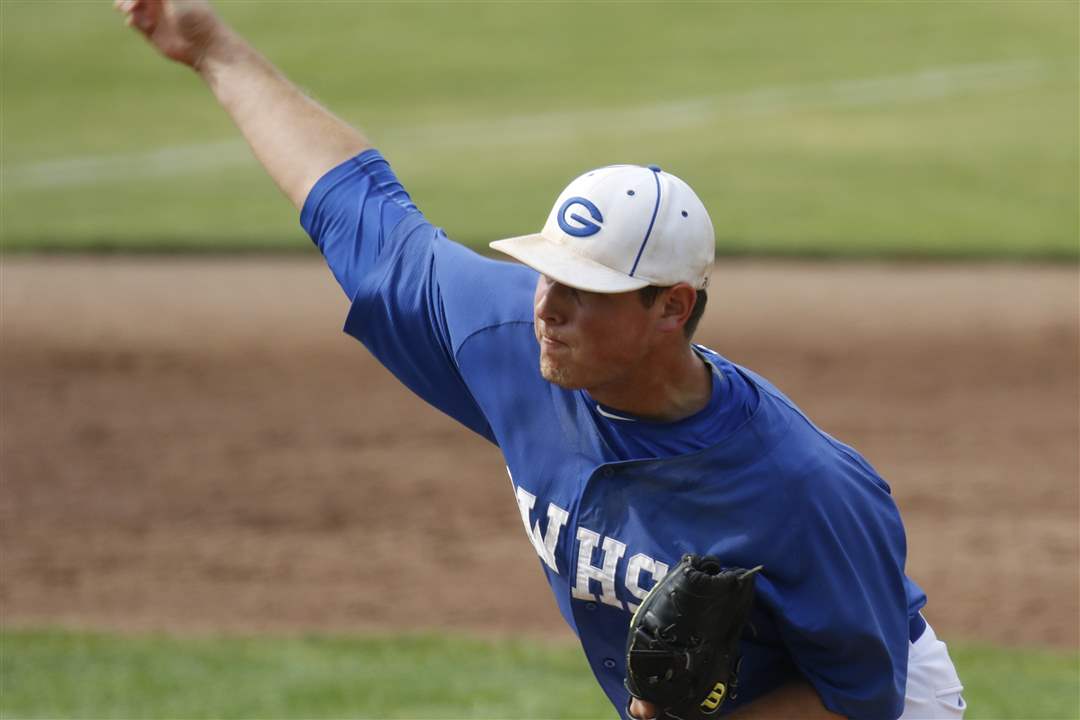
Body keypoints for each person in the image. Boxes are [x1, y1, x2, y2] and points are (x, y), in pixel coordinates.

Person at [115, 1, 967, 718]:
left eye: (585, 291)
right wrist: (210, 49)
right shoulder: (511, 341)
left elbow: (863, 698)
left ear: (671, 306)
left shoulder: (804, 487)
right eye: (545, 275)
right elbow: (358, 213)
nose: (548, 309)